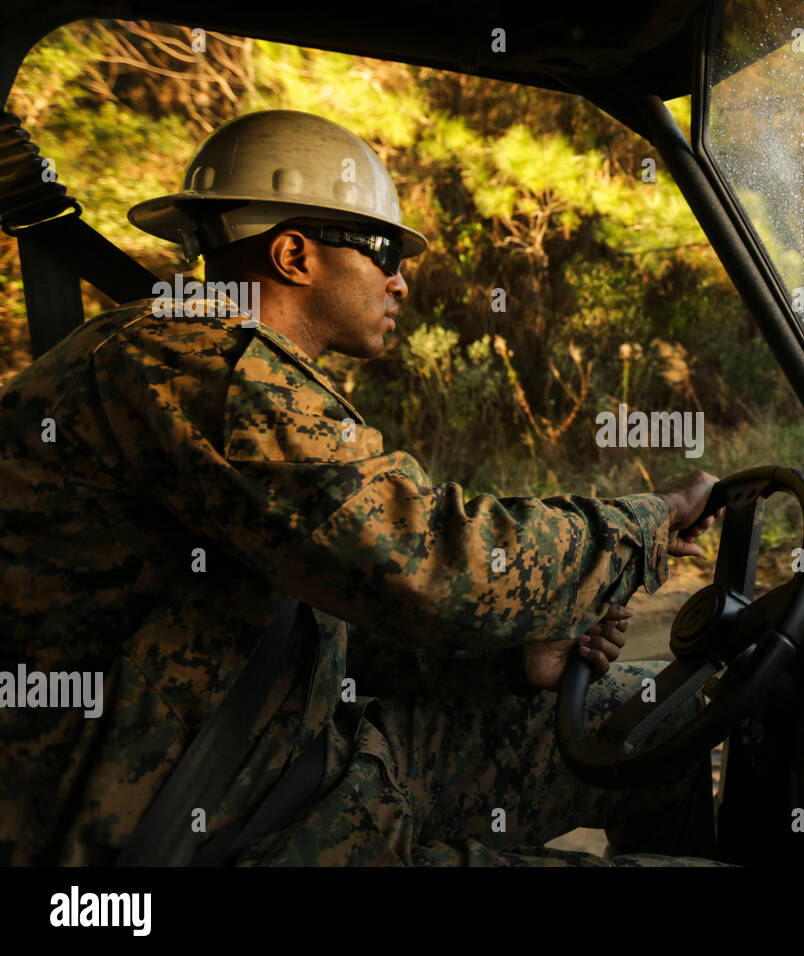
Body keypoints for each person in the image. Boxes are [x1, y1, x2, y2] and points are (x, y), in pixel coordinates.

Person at [0, 110, 724, 866]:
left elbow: (308, 616)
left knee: (651, 713)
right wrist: (646, 521)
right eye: (383, 251)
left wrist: (509, 664)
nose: (401, 281)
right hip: (206, 836)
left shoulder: (197, 357)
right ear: (293, 253)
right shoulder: (201, 369)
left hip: (281, 773)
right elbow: (432, 563)